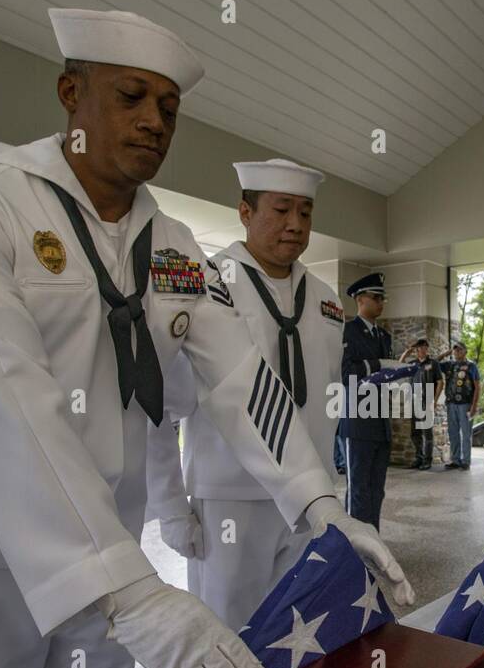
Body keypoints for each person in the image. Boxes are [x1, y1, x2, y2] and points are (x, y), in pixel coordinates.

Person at [0, 8, 410, 668]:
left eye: (168, 109)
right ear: (70, 94)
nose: (153, 121)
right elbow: (9, 405)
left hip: (114, 550)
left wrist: (323, 508)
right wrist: (138, 597)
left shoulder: (172, 249)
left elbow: (241, 380)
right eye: (131, 96)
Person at [146, 157, 349, 632]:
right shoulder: (204, 286)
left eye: (305, 212)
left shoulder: (325, 298)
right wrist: (170, 506)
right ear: (244, 211)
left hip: (306, 501)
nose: (295, 225)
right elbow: (159, 403)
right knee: (229, 634)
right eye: (280, 210)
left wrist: (328, 489)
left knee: (297, 634)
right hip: (229, 498)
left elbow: (327, 400)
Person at [341, 272, 396, 527]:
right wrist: (378, 364)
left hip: (380, 421)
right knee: (358, 489)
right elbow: (346, 373)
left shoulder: (384, 337)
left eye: (383, 298)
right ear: (360, 299)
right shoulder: (347, 331)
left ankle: (372, 539)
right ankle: (353, 548)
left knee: (376, 489)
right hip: (358, 420)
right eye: (376, 298)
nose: (381, 303)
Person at [400, 337, 443, 470]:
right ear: (416, 349)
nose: (421, 349)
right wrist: (407, 351)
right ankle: (419, 457)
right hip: (414, 400)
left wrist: (435, 401)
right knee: (415, 432)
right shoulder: (413, 364)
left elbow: (440, 382)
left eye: (424, 347)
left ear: (427, 348)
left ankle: (427, 460)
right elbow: (399, 365)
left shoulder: (433, 363)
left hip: (427, 400)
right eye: (419, 347)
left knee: (427, 433)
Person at [437, 339, 479, 470]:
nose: (457, 352)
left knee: (466, 433)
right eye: (455, 349)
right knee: (453, 432)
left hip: (465, 404)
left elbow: (477, 386)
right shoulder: (449, 365)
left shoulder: (471, 366)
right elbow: (435, 362)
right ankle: (455, 459)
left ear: (465, 351)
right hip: (451, 404)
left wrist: (474, 406)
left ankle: (466, 461)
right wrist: (446, 353)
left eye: (460, 349)